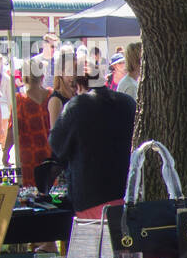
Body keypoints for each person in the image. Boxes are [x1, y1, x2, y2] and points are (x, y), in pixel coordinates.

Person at [47, 61, 136, 215]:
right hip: (127, 190)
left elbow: (56, 143)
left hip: (90, 193)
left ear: (79, 86)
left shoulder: (76, 106)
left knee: (96, 237)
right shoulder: (128, 102)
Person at [5, 58, 53, 185]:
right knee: (53, 192)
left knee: (31, 195)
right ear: (42, 75)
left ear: (24, 76)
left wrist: (5, 152)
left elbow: (12, 130)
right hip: (51, 153)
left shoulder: (19, 100)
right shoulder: (52, 96)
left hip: (28, 157)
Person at [47, 51, 77, 130]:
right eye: (69, 70)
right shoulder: (56, 100)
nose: (74, 74)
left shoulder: (76, 95)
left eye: (76, 70)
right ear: (61, 72)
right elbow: (55, 135)